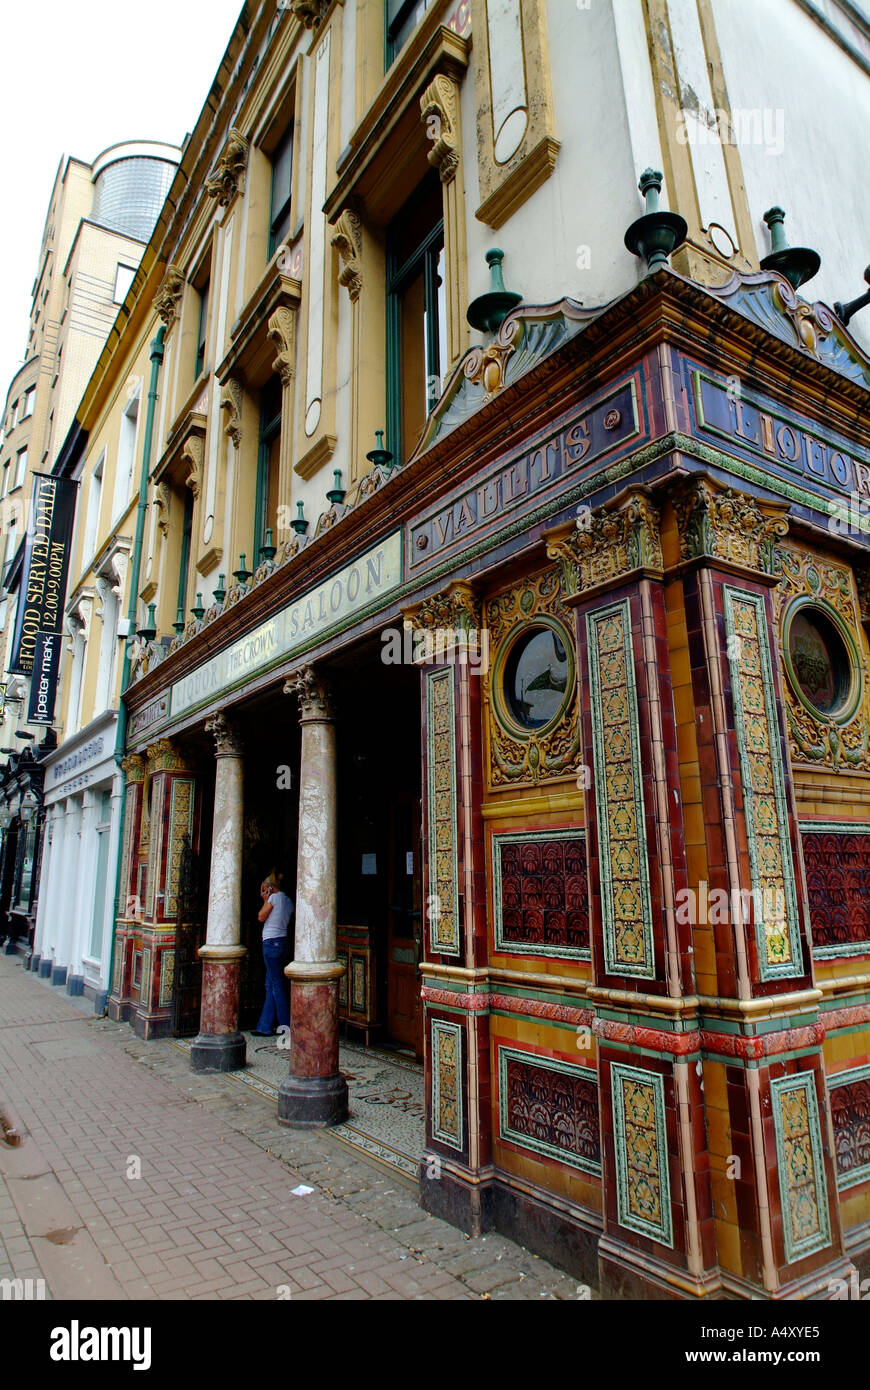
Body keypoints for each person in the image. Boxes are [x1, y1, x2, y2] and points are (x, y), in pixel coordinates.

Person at [252, 871, 294, 1037]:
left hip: (271, 943)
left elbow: (261, 917)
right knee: (271, 984)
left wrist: (265, 899)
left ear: (270, 888)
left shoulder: (274, 899)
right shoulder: (289, 901)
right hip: (283, 942)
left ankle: (286, 1025)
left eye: (264, 888)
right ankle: (264, 1026)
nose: (262, 891)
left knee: (277, 985)